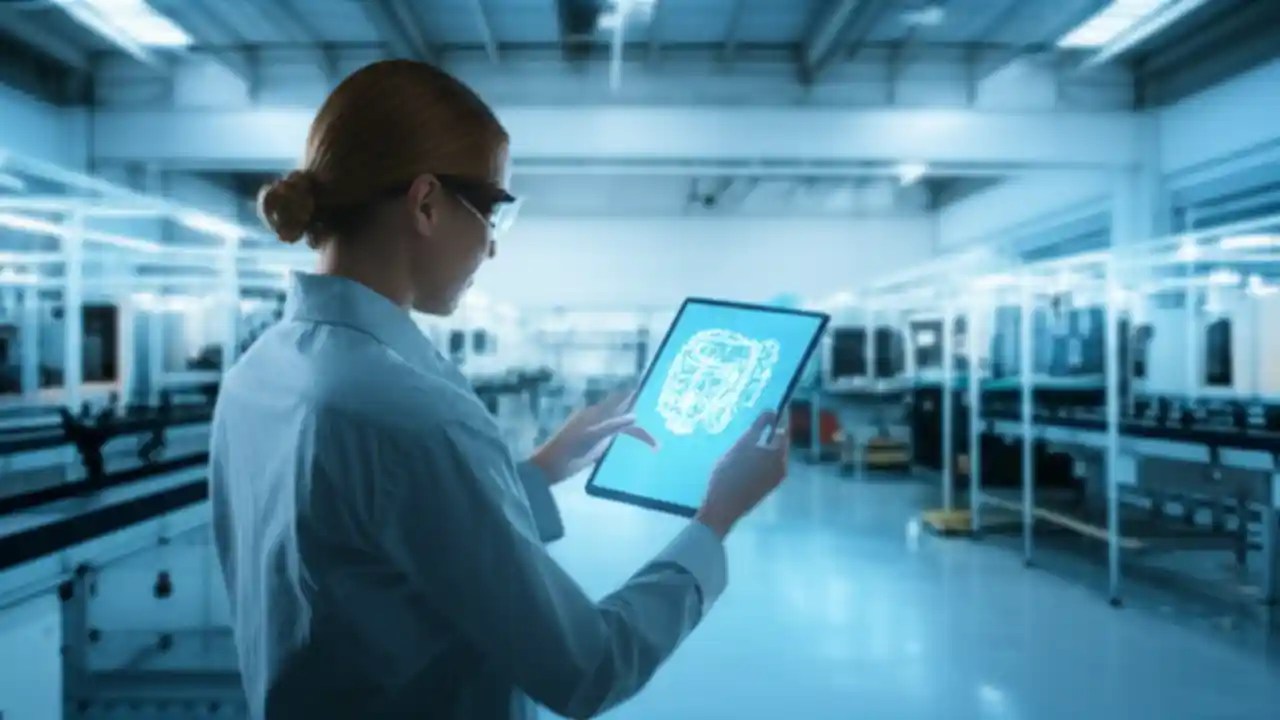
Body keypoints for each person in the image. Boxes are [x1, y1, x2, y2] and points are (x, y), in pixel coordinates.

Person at [209, 59, 790, 720]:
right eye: (493, 213)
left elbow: (389, 548)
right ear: (426, 203)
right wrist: (716, 519)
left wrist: (540, 472)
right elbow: (589, 667)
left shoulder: (257, 374)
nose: (491, 250)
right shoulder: (414, 414)